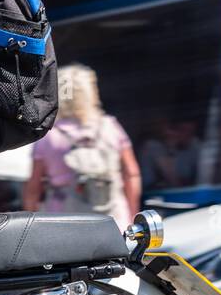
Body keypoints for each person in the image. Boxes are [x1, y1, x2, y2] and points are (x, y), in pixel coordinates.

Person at [23, 64, 140, 232]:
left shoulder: (48, 136)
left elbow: (33, 190)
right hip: (114, 221)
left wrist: (31, 229)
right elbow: (131, 173)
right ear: (90, 93)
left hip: (64, 228)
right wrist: (133, 214)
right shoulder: (110, 127)